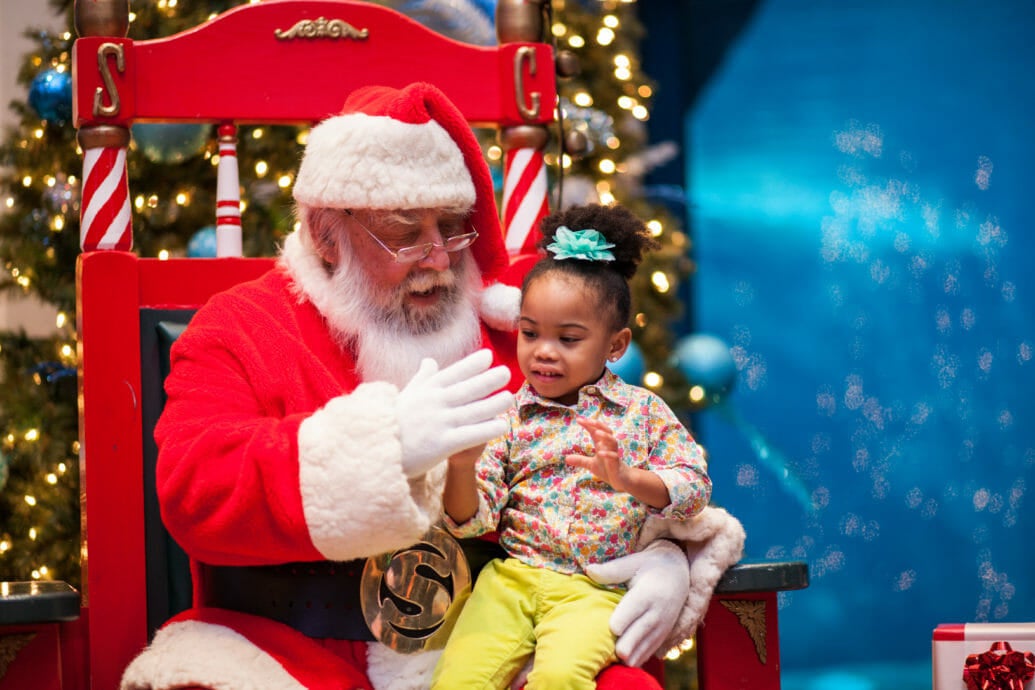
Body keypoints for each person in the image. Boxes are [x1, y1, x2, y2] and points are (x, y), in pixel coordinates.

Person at [120, 83, 744, 690]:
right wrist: (379, 449)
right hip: (291, 653)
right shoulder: (241, 327)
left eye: (451, 226)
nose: (440, 258)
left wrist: (662, 558)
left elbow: (617, 458)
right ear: (323, 233)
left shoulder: (518, 334)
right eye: (403, 231)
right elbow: (194, 488)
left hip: (501, 639)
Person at [430, 204, 712, 690]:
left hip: (594, 588)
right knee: (458, 680)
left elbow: (693, 489)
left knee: (561, 678)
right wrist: (460, 469)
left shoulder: (640, 413)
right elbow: (473, 519)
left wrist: (627, 479)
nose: (543, 350)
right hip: (510, 582)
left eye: (568, 338)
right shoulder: (509, 417)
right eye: (530, 332)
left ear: (615, 345)